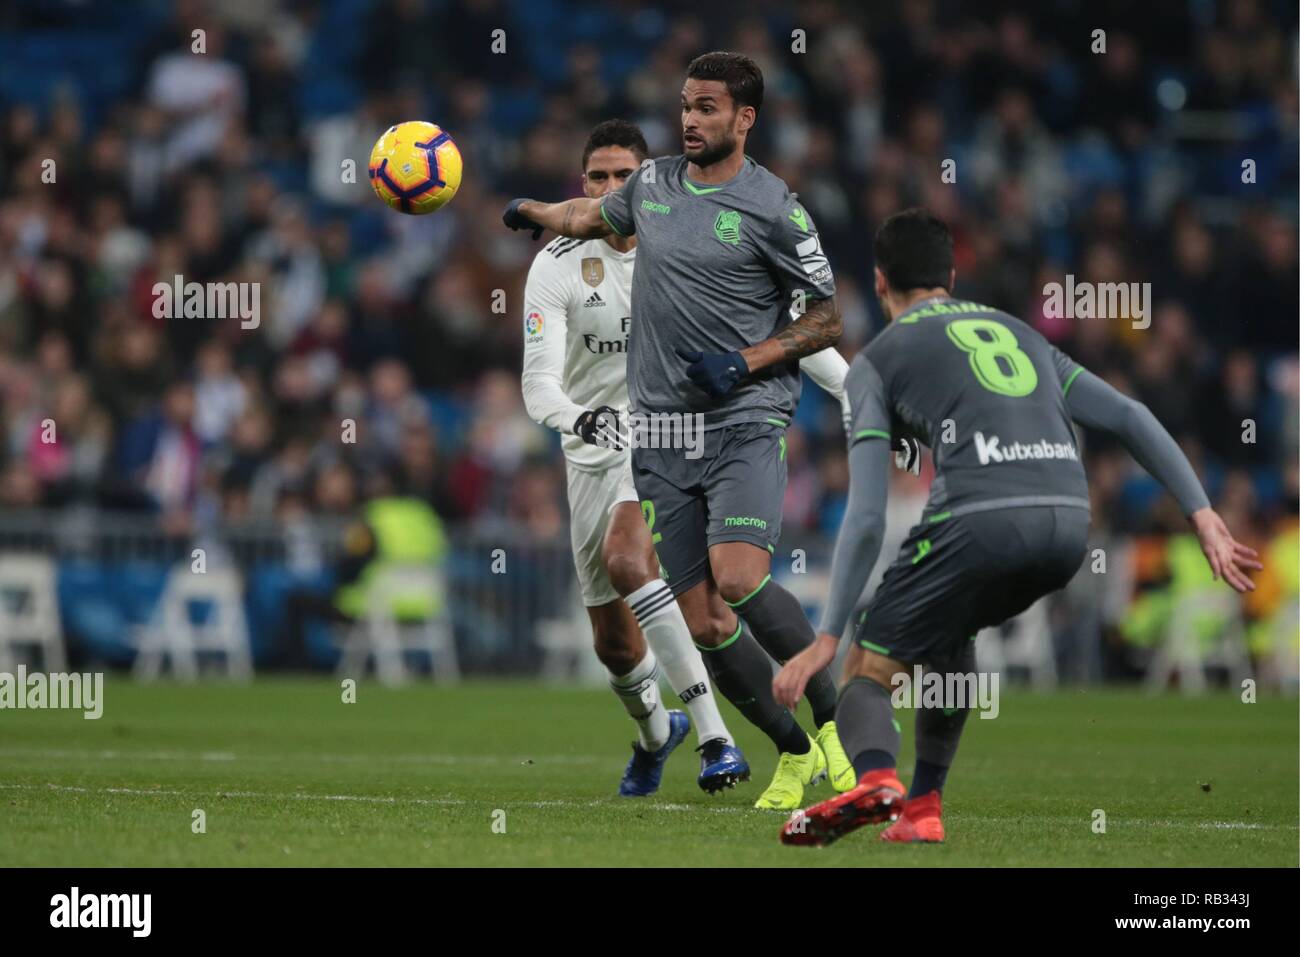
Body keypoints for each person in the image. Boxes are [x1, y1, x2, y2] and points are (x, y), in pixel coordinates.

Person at [773, 208, 1262, 846]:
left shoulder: (877, 360)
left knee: (868, 665)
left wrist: (828, 635)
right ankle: (924, 809)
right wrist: (1203, 514)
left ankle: (878, 778)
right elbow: (1131, 416)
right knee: (952, 630)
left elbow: (866, 514)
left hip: (979, 519)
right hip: (1067, 525)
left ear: (879, 281)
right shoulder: (1022, 334)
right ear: (951, 274)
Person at [505, 52, 856, 809]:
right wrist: (533, 210)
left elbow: (825, 318)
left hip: (740, 418)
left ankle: (827, 728)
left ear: (745, 119)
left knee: (730, 575)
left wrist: (757, 362)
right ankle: (791, 753)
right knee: (692, 621)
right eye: (685, 107)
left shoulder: (774, 206)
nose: (690, 120)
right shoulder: (654, 187)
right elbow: (585, 217)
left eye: (706, 108)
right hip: (656, 434)